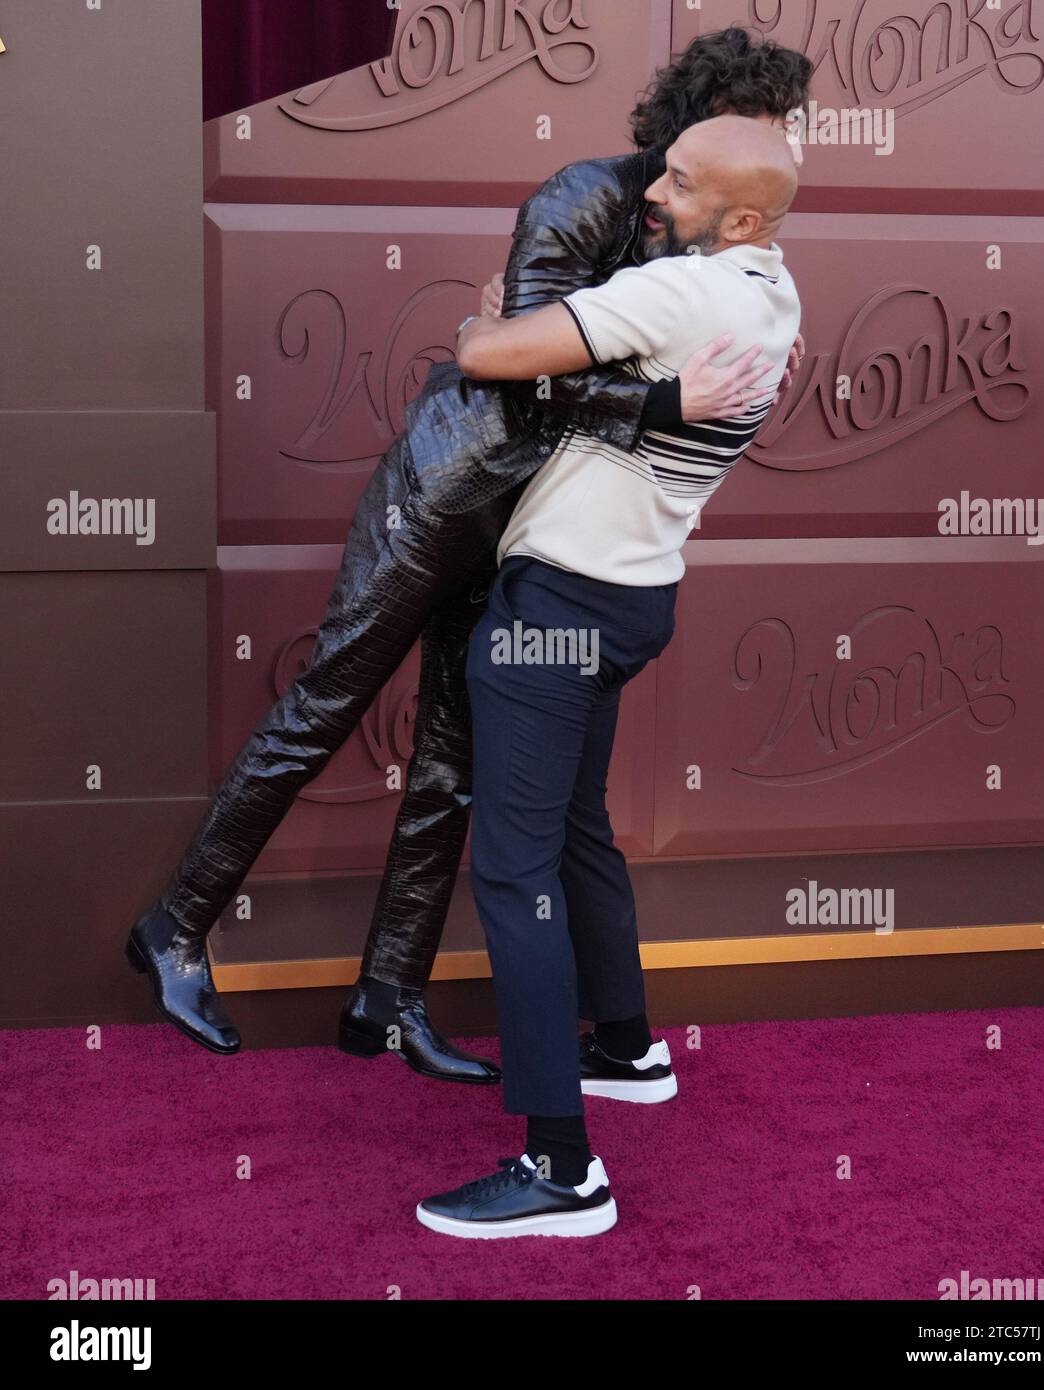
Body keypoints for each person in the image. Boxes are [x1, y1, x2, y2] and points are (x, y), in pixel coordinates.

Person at [124, 30, 812, 1080]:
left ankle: (387, 1002)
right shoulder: (581, 196)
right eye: (757, 123)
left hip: (526, 525)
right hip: (445, 491)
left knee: (452, 763)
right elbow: (507, 367)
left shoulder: (718, 248)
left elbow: (681, 338)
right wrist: (661, 398)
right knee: (326, 704)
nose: (772, 146)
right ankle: (173, 929)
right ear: (699, 117)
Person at [415, 114, 802, 1237]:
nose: (651, 194)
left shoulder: (681, 294)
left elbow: (483, 353)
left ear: (737, 217)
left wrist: (484, 316)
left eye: (678, 185)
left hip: (560, 603)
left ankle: (560, 1169)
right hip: (634, 595)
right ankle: (626, 1048)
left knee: (514, 869)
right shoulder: (773, 290)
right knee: (577, 827)